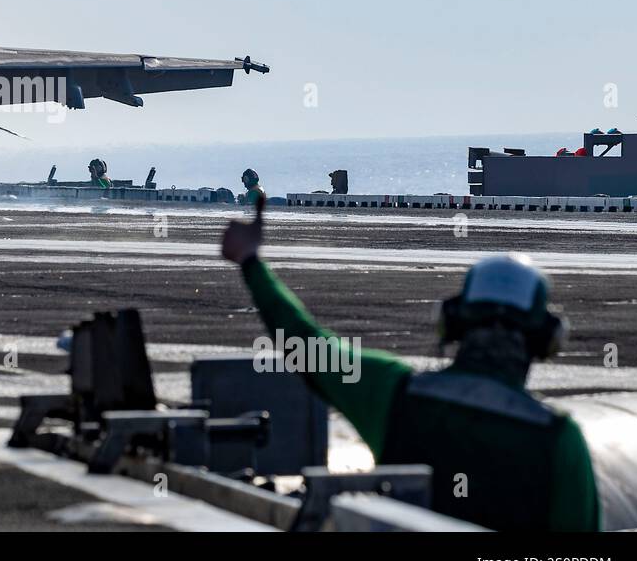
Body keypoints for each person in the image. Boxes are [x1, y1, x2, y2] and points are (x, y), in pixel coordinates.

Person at [220, 201, 599, 531]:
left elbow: (307, 345)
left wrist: (251, 261)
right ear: (547, 340)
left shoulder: (396, 393)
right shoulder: (560, 440)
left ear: (451, 323)